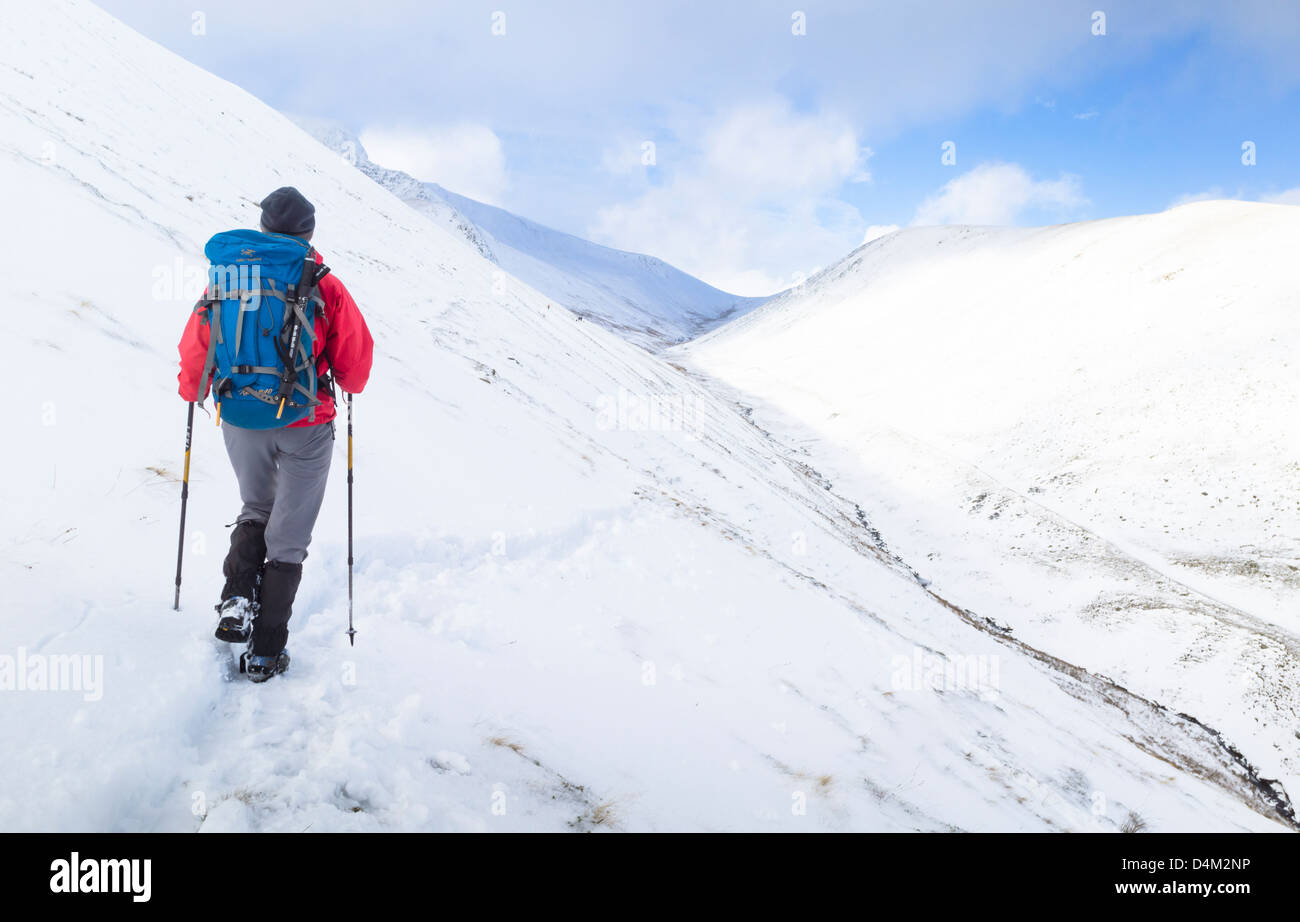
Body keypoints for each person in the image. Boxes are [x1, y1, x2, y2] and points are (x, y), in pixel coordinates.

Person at [176, 187, 374, 681]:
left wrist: (191, 390)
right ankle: (265, 651)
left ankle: (236, 598)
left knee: (256, 508)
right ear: (308, 232)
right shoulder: (323, 282)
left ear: (262, 227)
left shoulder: (226, 277)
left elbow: (198, 346)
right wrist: (344, 384)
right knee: (289, 539)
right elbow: (355, 364)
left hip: (241, 417)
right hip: (305, 423)